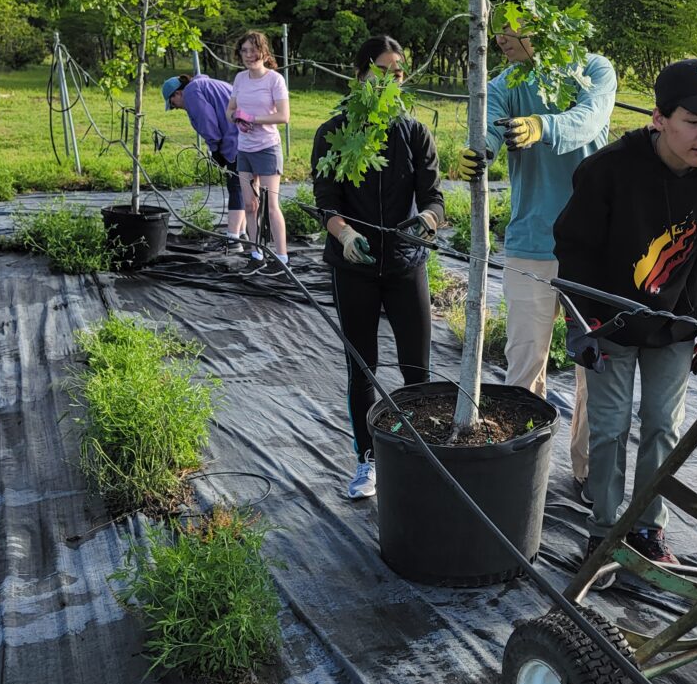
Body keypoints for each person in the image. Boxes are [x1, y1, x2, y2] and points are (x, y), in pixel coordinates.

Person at [552, 58, 697, 577]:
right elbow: (574, 250)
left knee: (664, 426)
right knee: (610, 427)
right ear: (659, 119)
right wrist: (582, 325)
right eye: (694, 121)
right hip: (611, 322)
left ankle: (647, 528)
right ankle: (602, 533)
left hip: (677, 321)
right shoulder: (608, 171)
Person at [455, 30, 616, 504]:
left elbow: (588, 121)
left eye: (512, 26)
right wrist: (478, 151)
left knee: (597, 369)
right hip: (531, 244)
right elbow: (488, 123)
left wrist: (543, 127)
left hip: (595, 249)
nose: (501, 37)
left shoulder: (593, 67)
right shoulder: (505, 82)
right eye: (496, 28)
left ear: (542, 23)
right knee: (524, 362)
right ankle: (521, 468)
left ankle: (588, 473)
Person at [313, 36, 446, 499]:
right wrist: (345, 234)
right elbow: (325, 202)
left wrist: (426, 221)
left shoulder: (415, 133)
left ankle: (421, 455)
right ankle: (366, 460)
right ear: (361, 76)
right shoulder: (335, 132)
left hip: (407, 264)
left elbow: (435, 197)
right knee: (363, 367)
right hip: (355, 268)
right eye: (383, 71)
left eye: (399, 71)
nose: (393, 79)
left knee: (417, 368)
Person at [224, 30, 290, 263]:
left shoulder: (274, 79)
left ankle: (282, 256)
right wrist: (238, 119)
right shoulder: (240, 79)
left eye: (254, 50)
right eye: (244, 50)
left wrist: (253, 119)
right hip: (245, 149)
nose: (249, 55)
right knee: (250, 205)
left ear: (264, 52)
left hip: (267, 147)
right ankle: (255, 251)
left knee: (271, 205)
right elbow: (229, 111)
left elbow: (284, 116)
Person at [161, 71, 245, 248]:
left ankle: (233, 240)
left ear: (178, 93)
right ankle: (243, 234)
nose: (176, 108)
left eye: (173, 103)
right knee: (245, 188)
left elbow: (208, 122)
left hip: (237, 138)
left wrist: (215, 150)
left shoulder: (191, 92)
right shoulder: (205, 85)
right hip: (245, 136)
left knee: (236, 186)